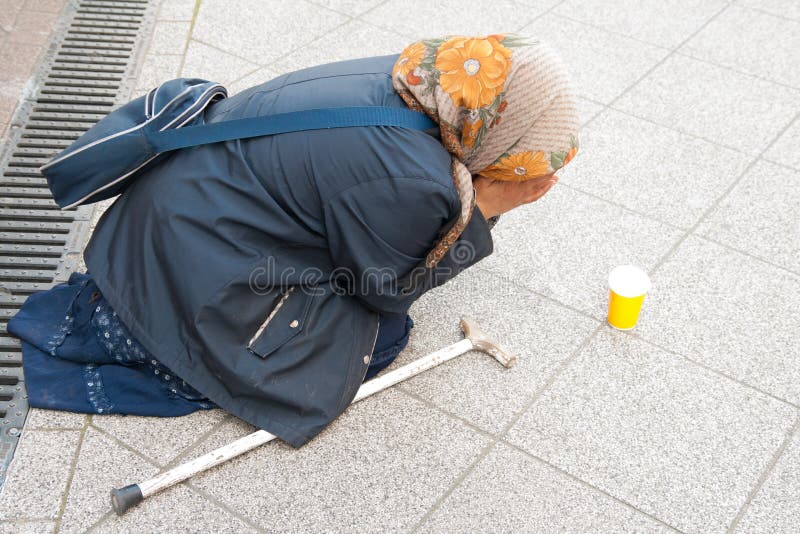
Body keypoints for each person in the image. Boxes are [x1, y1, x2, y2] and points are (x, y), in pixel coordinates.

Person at [9, 33, 579, 447]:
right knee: (379, 338)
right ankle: (164, 341)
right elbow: (386, 290)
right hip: (182, 263)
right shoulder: (419, 180)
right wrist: (487, 206)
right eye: (522, 160)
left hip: (160, 225)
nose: (528, 175)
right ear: (503, 130)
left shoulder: (417, 78)